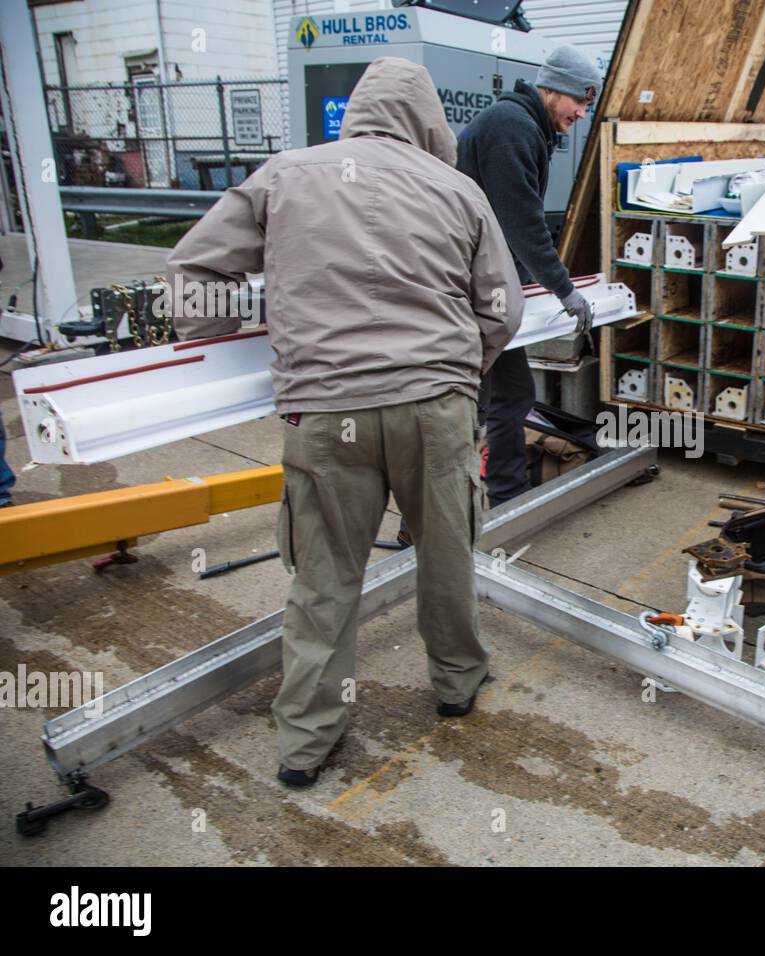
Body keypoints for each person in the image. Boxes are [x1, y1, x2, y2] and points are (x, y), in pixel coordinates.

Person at [167, 58, 523, 786]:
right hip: (434, 412)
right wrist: (456, 372)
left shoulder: (284, 174)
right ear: (430, 122)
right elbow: (502, 309)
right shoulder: (458, 189)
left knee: (324, 578)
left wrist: (263, 324)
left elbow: (191, 285)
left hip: (325, 414)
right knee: (448, 557)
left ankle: (305, 742)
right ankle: (456, 685)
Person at [457, 44, 602, 507]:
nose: (582, 111)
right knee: (509, 392)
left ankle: (481, 490)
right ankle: (505, 496)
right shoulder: (512, 128)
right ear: (553, 88)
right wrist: (564, 290)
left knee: (488, 394)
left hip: (478, 282)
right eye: (579, 100)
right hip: (468, 286)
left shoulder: (524, 126)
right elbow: (521, 222)